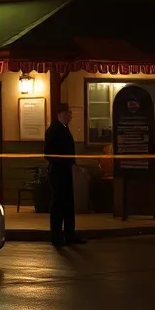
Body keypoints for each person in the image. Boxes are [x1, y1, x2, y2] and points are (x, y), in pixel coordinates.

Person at [44, 102, 86, 247]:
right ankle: (56, 235)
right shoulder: (54, 130)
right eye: (68, 113)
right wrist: (62, 162)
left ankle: (69, 232)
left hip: (66, 170)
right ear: (60, 114)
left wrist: (72, 164)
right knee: (58, 203)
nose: (70, 116)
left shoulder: (65, 129)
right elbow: (48, 152)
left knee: (68, 203)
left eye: (70, 113)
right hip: (57, 171)